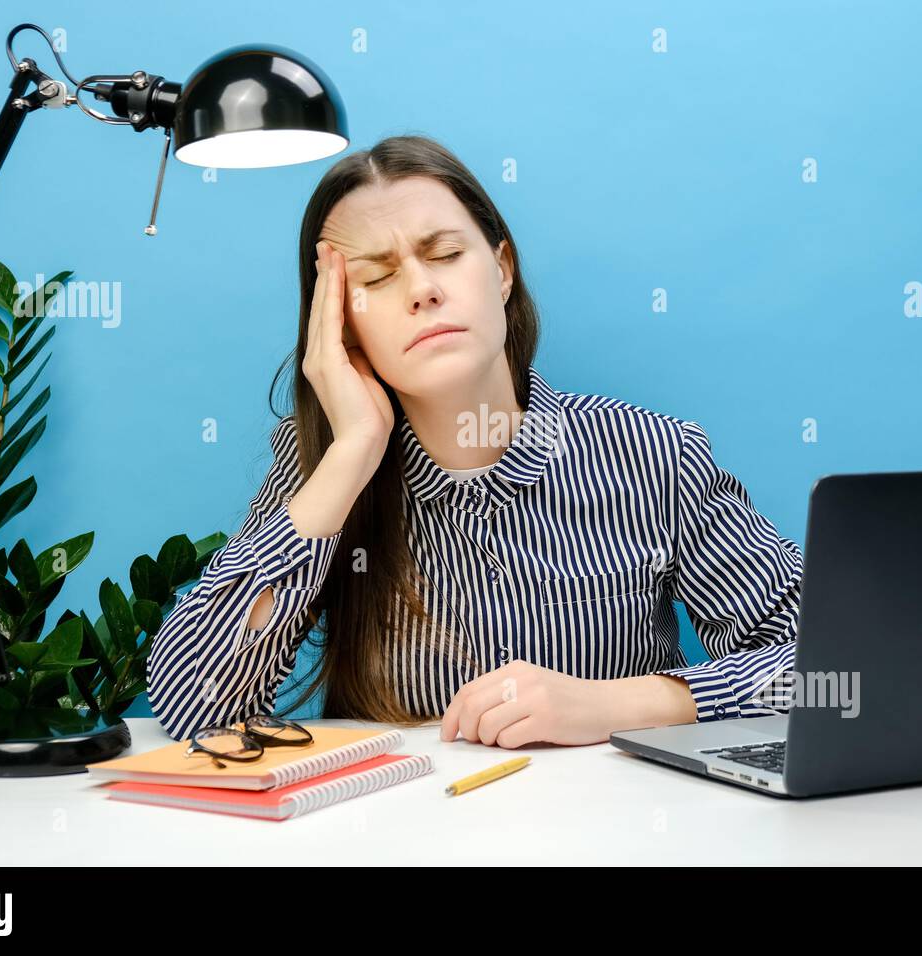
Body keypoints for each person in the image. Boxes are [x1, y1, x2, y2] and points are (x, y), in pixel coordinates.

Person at [146, 134, 803, 749]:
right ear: (341, 324)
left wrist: (617, 706)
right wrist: (349, 457)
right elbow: (193, 706)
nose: (423, 291)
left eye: (444, 255)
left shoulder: (654, 455)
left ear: (503, 269)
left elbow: (838, 668)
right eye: (375, 280)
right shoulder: (320, 468)